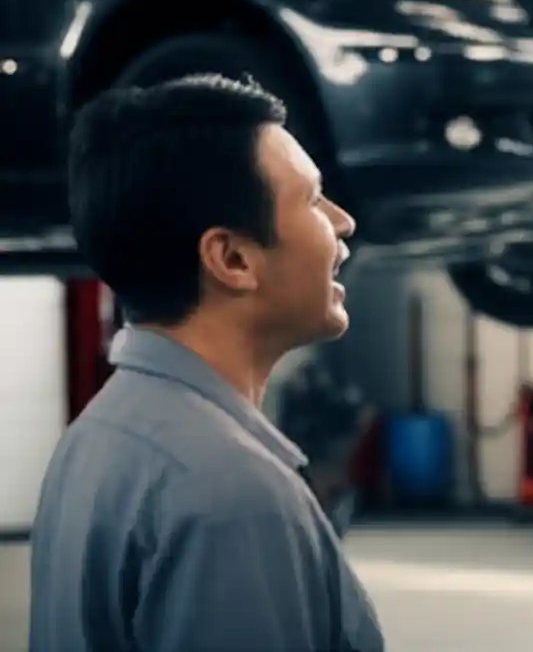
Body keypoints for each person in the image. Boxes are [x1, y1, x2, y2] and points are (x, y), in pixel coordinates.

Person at [28, 74, 384, 651]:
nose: (342, 220)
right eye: (312, 198)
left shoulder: (99, 437)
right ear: (232, 258)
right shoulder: (231, 491)